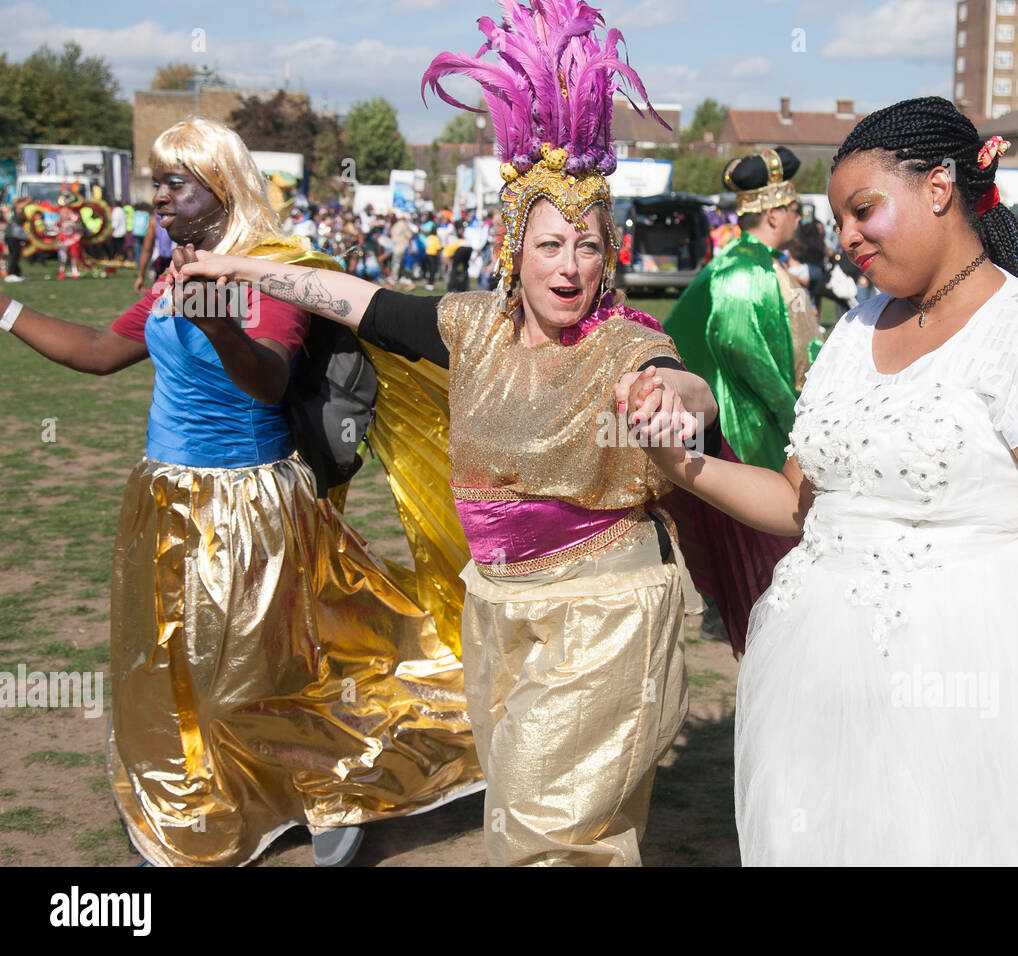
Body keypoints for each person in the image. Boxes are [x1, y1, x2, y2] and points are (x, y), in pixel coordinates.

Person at [179, 1, 717, 867]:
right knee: (521, 819)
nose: (569, 266)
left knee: (550, 837)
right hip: (496, 605)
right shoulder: (473, 327)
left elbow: (684, 386)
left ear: (608, 254)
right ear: (513, 248)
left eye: (586, 247)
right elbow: (354, 300)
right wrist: (238, 265)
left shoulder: (625, 342)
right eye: (550, 245)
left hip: (603, 614)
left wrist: (677, 401)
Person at [634, 96, 1018, 866]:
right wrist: (679, 463)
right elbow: (795, 504)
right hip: (827, 687)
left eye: (863, 210)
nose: (845, 237)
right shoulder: (853, 331)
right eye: (838, 220)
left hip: (978, 697)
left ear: (940, 188)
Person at [0, 118, 482, 867]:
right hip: (166, 501)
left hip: (247, 505)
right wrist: (4, 308)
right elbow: (97, 353)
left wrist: (224, 330)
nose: (158, 197)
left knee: (264, 669)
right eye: (155, 181)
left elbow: (270, 381)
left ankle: (336, 790)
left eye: (175, 182)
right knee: (184, 665)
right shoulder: (175, 277)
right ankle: (222, 790)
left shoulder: (269, 273)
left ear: (221, 188)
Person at [661, 148, 824, 652]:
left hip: (758, 421)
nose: (797, 217)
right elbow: (742, 350)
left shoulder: (755, 264)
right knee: (755, 541)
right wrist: (799, 414)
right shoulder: (741, 273)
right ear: (773, 214)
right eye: (793, 209)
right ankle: (741, 620)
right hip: (747, 427)